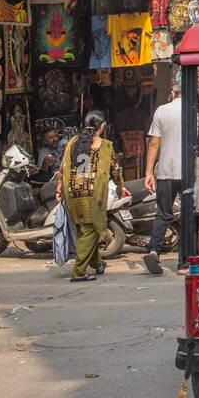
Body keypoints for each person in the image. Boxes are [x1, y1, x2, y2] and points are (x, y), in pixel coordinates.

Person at [58, 109, 124, 282]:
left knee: (84, 230)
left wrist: (59, 188)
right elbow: (115, 171)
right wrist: (120, 186)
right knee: (91, 230)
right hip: (93, 196)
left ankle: (97, 263)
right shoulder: (105, 146)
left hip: (73, 193)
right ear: (101, 126)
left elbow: (63, 167)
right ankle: (78, 271)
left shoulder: (73, 142)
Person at [143, 78, 182, 275]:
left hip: (166, 171)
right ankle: (184, 261)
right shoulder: (197, 112)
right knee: (191, 215)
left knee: (163, 213)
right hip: (190, 171)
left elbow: (154, 144)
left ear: (173, 93)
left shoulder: (162, 111)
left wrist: (149, 171)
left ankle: (154, 250)